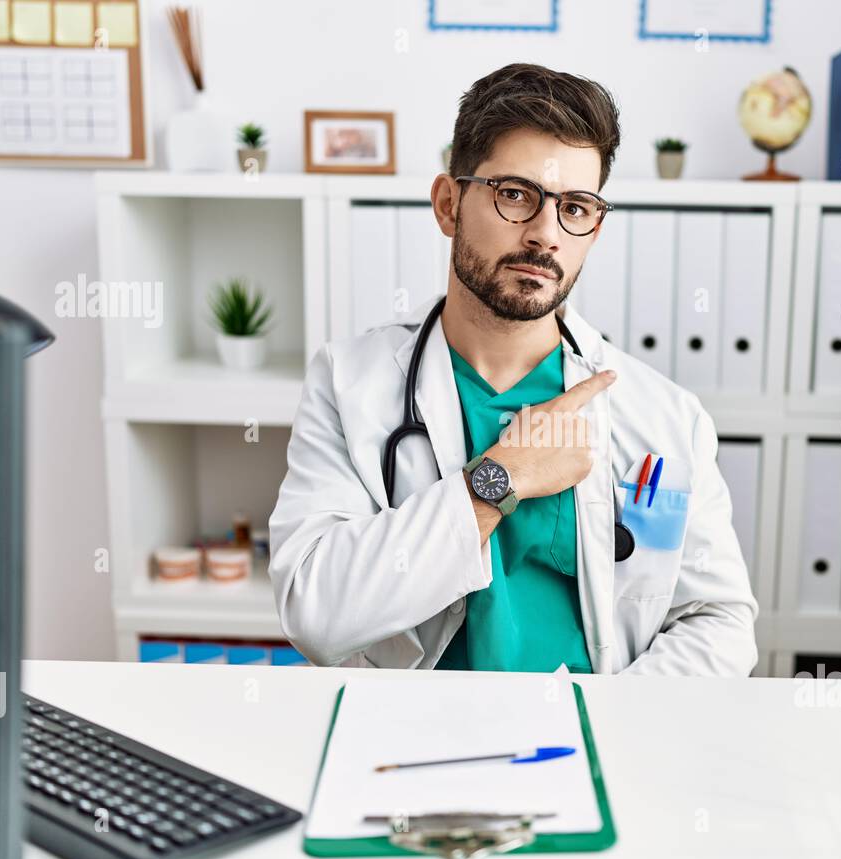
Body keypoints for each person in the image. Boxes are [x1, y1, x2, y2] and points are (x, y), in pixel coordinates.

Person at [268, 63, 758, 676]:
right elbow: (314, 612)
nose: (545, 234)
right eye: (516, 195)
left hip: (593, 743)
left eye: (575, 207)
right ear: (449, 204)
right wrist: (498, 479)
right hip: (413, 744)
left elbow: (719, 622)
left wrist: (608, 725)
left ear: (594, 226)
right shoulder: (349, 383)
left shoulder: (665, 415)